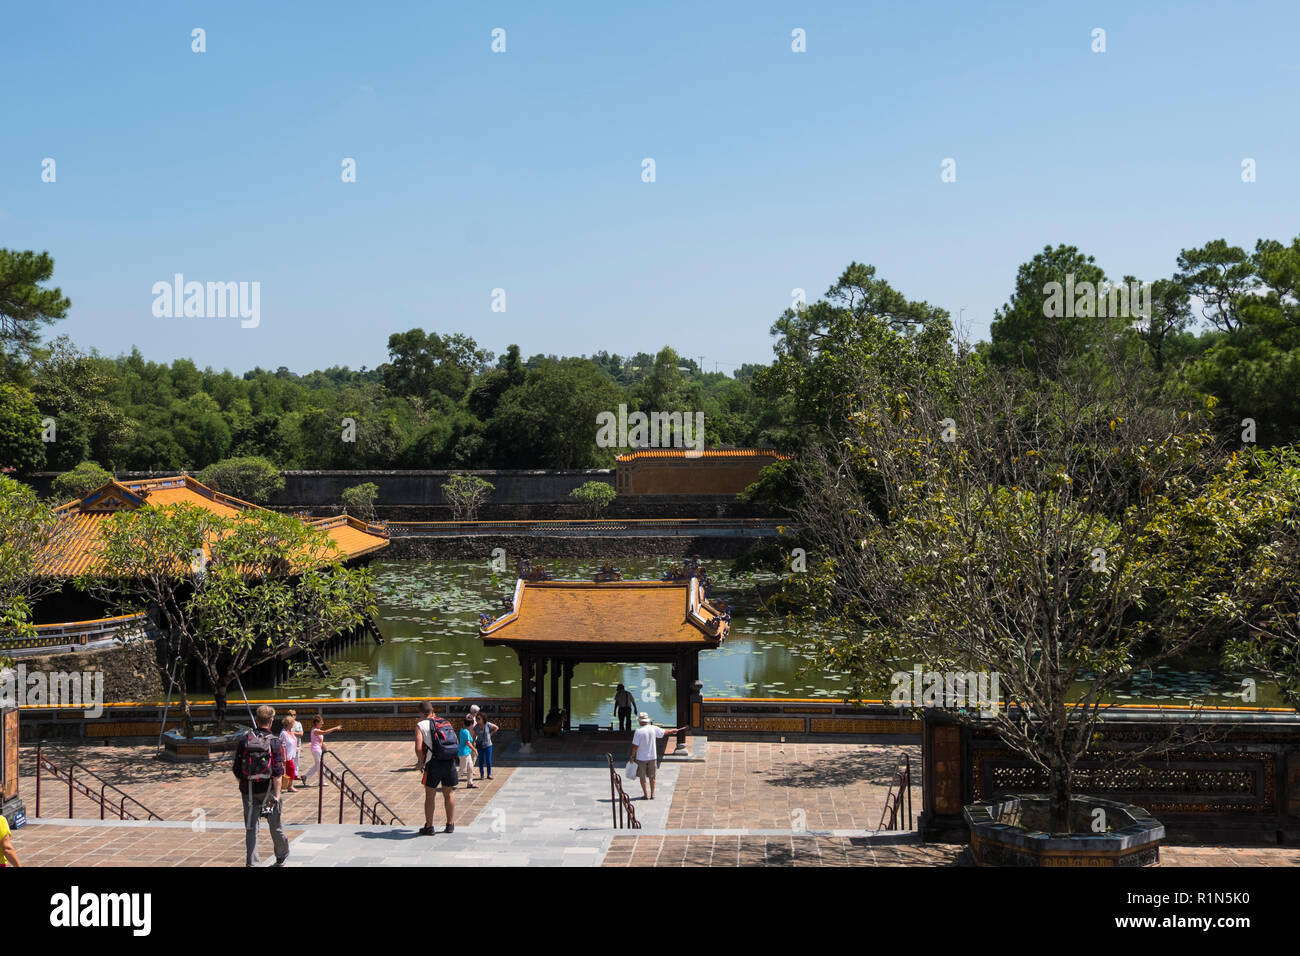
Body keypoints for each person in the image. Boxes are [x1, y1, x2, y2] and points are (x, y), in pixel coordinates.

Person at [232, 704, 289, 867]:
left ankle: (252, 864)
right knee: (275, 827)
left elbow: (236, 769)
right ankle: (281, 853)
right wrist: (277, 796)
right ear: (271, 720)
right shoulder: (275, 742)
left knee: (251, 829)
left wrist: (245, 784)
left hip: (248, 792)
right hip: (269, 792)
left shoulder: (244, 740)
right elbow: (278, 773)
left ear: (256, 720)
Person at [415, 701, 458, 834]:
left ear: (421, 712)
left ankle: (429, 826)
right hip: (449, 761)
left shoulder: (421, 725)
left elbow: (418, 747)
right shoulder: (445, 722)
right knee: (448, 793)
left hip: (433, 763)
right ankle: (450, 824)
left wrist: (420, 762)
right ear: (433, 710)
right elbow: (455, 739)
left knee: (430, 795)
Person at [629, 712, 685, 801]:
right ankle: (652, 794)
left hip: (641, 757)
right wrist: (672, 731)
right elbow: (664, 732)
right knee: (652, 776)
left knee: (642, 777)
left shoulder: (638, 732)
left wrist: (632, 756)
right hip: (652, 756)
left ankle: (645, 795)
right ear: (647, 721)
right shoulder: (653, 728)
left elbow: (635, 746)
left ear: (640, 721)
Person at [299, 715, 342, 787]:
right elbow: (325, 732)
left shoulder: (317, 730)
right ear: (316, 723)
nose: (322, 724)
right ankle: (321, 782)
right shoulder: (315, 730)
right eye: (321, 722)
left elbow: (321, 741)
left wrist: (324, 748)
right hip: (316, 750)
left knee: (317, 765)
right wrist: (335, 728)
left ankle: (305, 777)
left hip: (318, 749)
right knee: (320, 766)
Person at [474, 712, 499, 781]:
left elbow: (496, 727)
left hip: (488, 745)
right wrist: (473, 743)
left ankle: (489, 774)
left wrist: (490, 734)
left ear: (483, 719)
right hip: (480, 745)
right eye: (476, 719)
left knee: (488, 760)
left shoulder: (488, 724)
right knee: (481, 760)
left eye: (479, 719)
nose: (477, 720)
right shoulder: (476, 727)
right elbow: (474, 735)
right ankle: (482, 775)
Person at [279, 716, 300, 793]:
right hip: (287, 755)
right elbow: (282, 746)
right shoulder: (284, 733)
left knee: (290, 770)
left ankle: (289, 785)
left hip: (292, 754)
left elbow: (293, 741)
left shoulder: (291, 732)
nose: (293, 724)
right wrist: (284, 757)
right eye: (292, 722)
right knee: (291, 770)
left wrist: (296, 748)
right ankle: (290, 786)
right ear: (288, 723)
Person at [458, 716, 478, 789]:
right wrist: (474, 750)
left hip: (466, 753)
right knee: (462, 769)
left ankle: (470, 783)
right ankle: (452, 782)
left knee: (470, 768)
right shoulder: (465, 731)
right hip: (464, 753)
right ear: (470, 724)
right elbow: (468, 742)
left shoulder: (463, 730)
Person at [286, 710, 305, 780]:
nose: (292, 716)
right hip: (289, 745)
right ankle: (289, 774)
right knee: (290, 760)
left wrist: (292, 733)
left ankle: (295, 774)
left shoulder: (298, 724)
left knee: (296, 760)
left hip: (297, 744)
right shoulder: (286, 724)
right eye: (291, 715)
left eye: (294, 715)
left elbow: (301, 734)